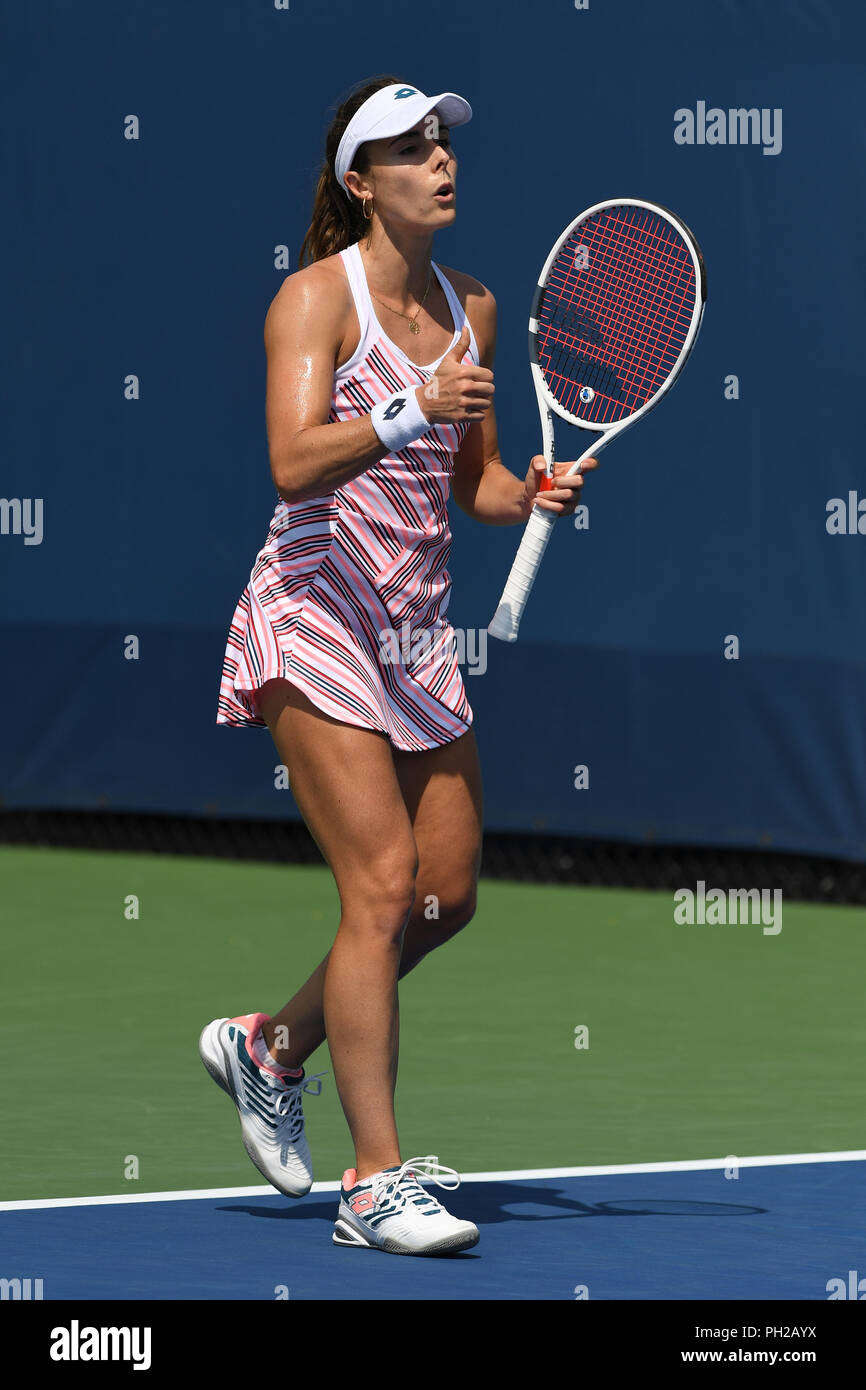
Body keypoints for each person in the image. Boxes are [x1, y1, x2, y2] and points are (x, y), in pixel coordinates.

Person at [200, 75, 596, 1257]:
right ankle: (373, 1181)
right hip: (312, 603)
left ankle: (270, 1047)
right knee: (376, 883)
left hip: (413, 631)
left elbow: (467, 485)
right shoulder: (311, 301)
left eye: (443, 142)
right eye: (409, 147)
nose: (439, 159)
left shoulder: (473, 303)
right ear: (358, 182)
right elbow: (287, 461)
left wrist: (524, 491)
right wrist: (407, 409)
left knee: (442, 890)